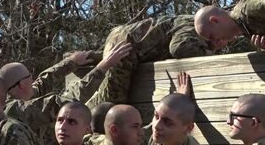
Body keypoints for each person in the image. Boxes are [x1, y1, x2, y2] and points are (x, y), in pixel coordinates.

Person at [0, 42, 131, 145]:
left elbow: (44, 81)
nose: (33, 80)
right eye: (29, 77)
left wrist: (71, 62)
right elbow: (68, 102)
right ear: (21, 84)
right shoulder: (15, 111)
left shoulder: (18, 94)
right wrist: (103, 66)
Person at [85, 15, 214, 107]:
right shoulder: (191, 26)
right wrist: (209, 52)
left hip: (121, 40)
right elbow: (178, 48)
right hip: (125, 55)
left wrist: (93, 56)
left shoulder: (181, 20)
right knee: (113, 110)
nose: (221, 42)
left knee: (103, 101)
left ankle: (82, 112)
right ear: (214, 21)